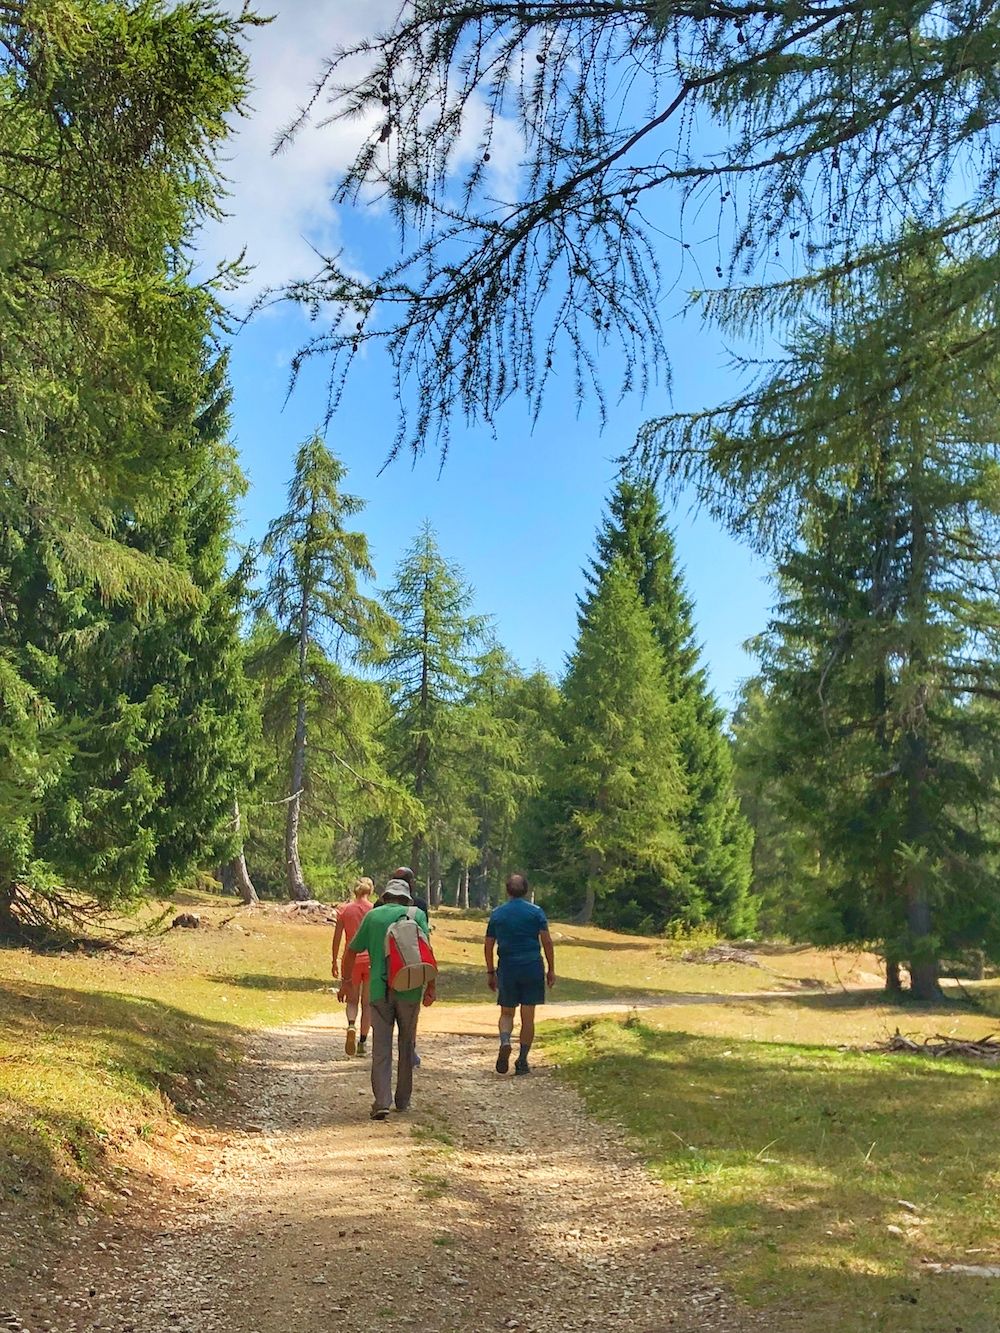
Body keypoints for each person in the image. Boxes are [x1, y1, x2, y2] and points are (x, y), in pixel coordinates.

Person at [339, 877, 436, 1120]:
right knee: (406, 1044)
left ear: (386, 897)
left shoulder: (374, 915)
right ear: (405, 898)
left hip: (379, 990)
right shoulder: (417, 915)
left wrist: (346, 981)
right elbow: (427, 953)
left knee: (381, 1046)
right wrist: (431, 987)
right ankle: (403, 1100)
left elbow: (351, 950)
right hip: (410, 987)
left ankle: (382, 1100)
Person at [484, 873, 555, 1075]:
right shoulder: (536, 912)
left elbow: (488, 944)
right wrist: (551, 968)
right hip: (532, 965)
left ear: (507, 890)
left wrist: (490, 971)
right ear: (526, 891)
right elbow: (547, 941)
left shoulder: (498, 914)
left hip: (507, 967)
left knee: (506, 1012)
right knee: (528, 1016)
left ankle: (505, 1040)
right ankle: (522, 1060)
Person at [331, 876, 375, 1057]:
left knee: (352, 999)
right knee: (367, 1003)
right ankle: (363, 1043)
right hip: (371, 960)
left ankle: (351, 1025)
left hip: (351, 960)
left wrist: (334, 960)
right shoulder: (373, 911)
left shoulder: (344, 910)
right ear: (370, 891)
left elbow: (337, 938)